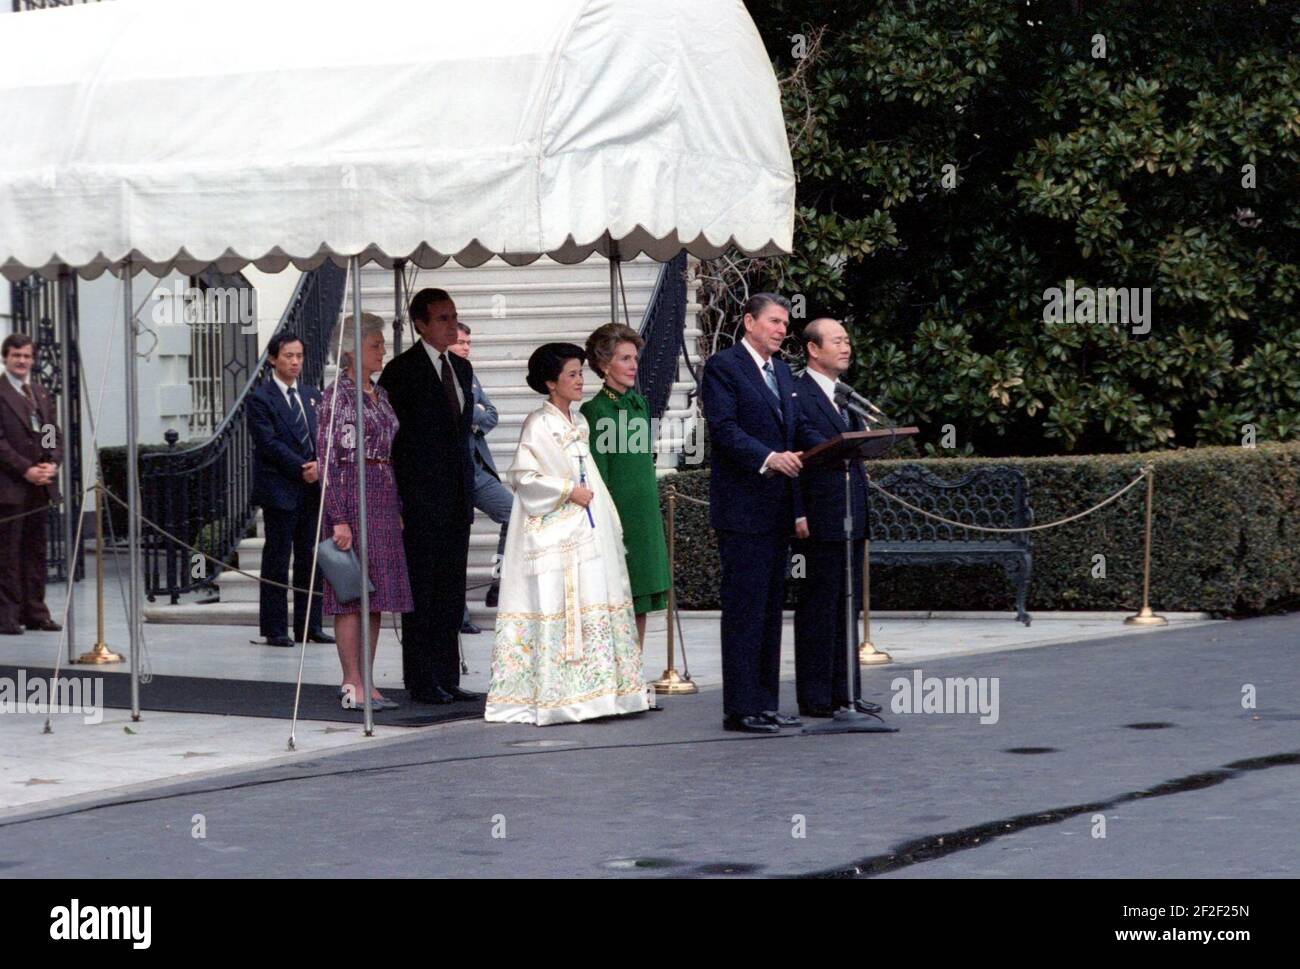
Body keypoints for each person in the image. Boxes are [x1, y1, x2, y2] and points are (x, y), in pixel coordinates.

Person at [485, 343, 649, 725]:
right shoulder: (538, 424)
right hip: (557, 531)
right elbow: (523, 476)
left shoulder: (578, 422)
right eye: (571, 375)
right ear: (550, 383)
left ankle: (601, 692)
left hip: (587, 527)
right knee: (562, 606)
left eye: (580, 373)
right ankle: (561, 694)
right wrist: (566, 491)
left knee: (597, 596)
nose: (580, 381)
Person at [700, 294, 808, 734]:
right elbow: (724, 429)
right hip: (743, 510)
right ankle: (740, 708)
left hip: (777, 509)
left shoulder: (782, 371)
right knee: (745, 610)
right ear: (748, 322)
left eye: (785, 323)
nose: (782, 330)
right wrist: (767, 457)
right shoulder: (724, 367)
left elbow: (793, 432)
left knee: (769, 610)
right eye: (774, 322)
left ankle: (765, 703)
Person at [378, 288, 483, 705]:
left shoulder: (461, 366)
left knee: (451, 589)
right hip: (420, 498)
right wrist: (399, 499)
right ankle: (421, 678)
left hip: (457, 495)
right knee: (422, 589)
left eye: (454, 316)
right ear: (420, 323)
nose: (451, 324)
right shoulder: (401, 370)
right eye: (442, 318)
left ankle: (447, 674)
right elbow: (394, 440)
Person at [318, 313, 413, 711]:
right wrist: (337, 516)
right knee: (350, 594)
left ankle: (369, 679)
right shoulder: (336, 396)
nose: (383, 351)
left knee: (375, 595)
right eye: (375, 345)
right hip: (350, 496)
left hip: (382, 495)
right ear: (353, 351)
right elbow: (327, 459)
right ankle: (351, 680)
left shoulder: (381, 393)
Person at [791, 318, 883, 718]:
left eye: (848, 339)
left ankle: (847, 691)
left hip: (850, 512)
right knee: (818, 606)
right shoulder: (797, 392)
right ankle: (816, 696)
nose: (846, 347)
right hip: (819, 515)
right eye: (837, 341)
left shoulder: (846, 397)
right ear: (813, 349)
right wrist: (797, 511)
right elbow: (793, 451)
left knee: (848, 606)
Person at [580, 323, 670, 648]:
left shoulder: (639, 404)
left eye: (634, 358)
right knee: (618, 598)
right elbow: (598, 477)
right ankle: (616, 679)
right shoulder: (594, 410)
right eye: (624, 358)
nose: (634, 365)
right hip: (618, 517)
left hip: (644, 514)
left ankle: (634, 676)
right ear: (605, 365)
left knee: (641, 598)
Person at [247, 331, 334, 647]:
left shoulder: (313, 395)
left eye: (299, 356)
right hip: (281, 488)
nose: (295, 362)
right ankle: (275, 628)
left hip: (312, 491)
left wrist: (319, 464)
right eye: (288, 356)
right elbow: (269, 444)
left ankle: (310, 625)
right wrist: (302, 468)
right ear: (273, 358)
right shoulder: (261, 398)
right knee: (278, 558)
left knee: (311, 559)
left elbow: (324, 435)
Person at [448, 322, 511, 633]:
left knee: (516, 514)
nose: (466, 348)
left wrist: (471, 417)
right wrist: (474, 412)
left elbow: (493, 414)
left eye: (469, 342)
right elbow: (458, 412)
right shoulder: (440, 374)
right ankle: (458, 616)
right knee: (454, 544)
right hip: (450, 473)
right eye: (460, 342)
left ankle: (499, 581)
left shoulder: (469, 373)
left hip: (478, 470)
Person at [0, 334, 62, 635]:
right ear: (5, 358)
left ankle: (36, 613)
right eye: (16, 356)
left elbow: (50, 432)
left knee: (36, 552)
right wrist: (26, 469)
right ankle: (7, 616)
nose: (22, 361)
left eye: (26, 356)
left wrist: (52, 462)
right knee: (8, 555)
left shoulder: (40, 393)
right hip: (10, 487)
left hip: (40, 486)